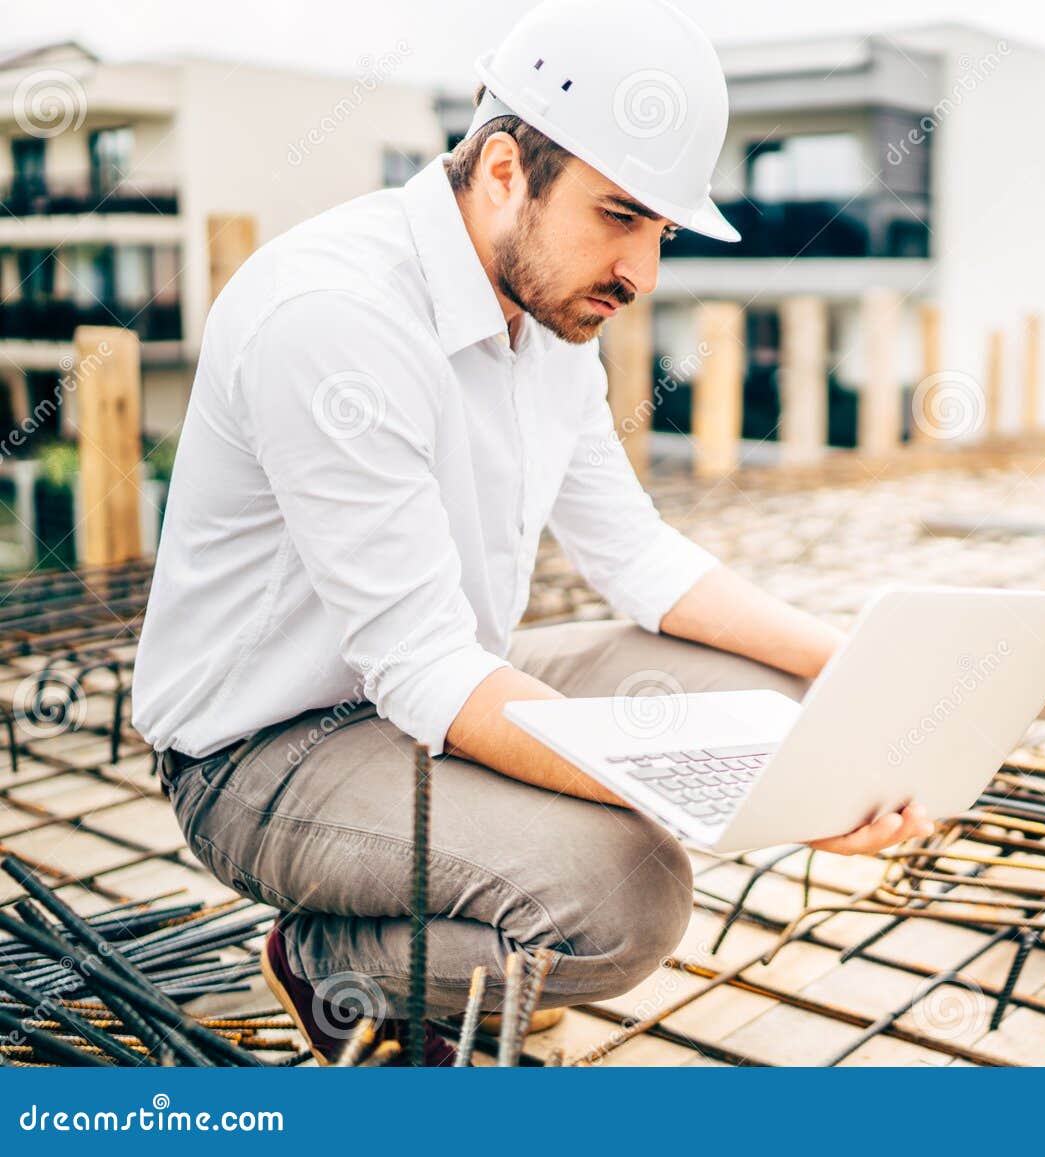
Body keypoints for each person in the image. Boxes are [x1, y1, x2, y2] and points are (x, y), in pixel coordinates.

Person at [130, 0, 932, 1066]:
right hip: (267, 748)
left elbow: (637, 558)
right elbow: (419, 668)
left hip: (446, 680)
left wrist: (855, 675)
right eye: (620, 215)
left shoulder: (547, 312)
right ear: (504, 169)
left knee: (781, 701)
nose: (643, 273)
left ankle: (469, 940)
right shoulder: (334, 317)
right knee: (623, 894)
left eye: (660, 231)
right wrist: (717, 784)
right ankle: (329, 960)